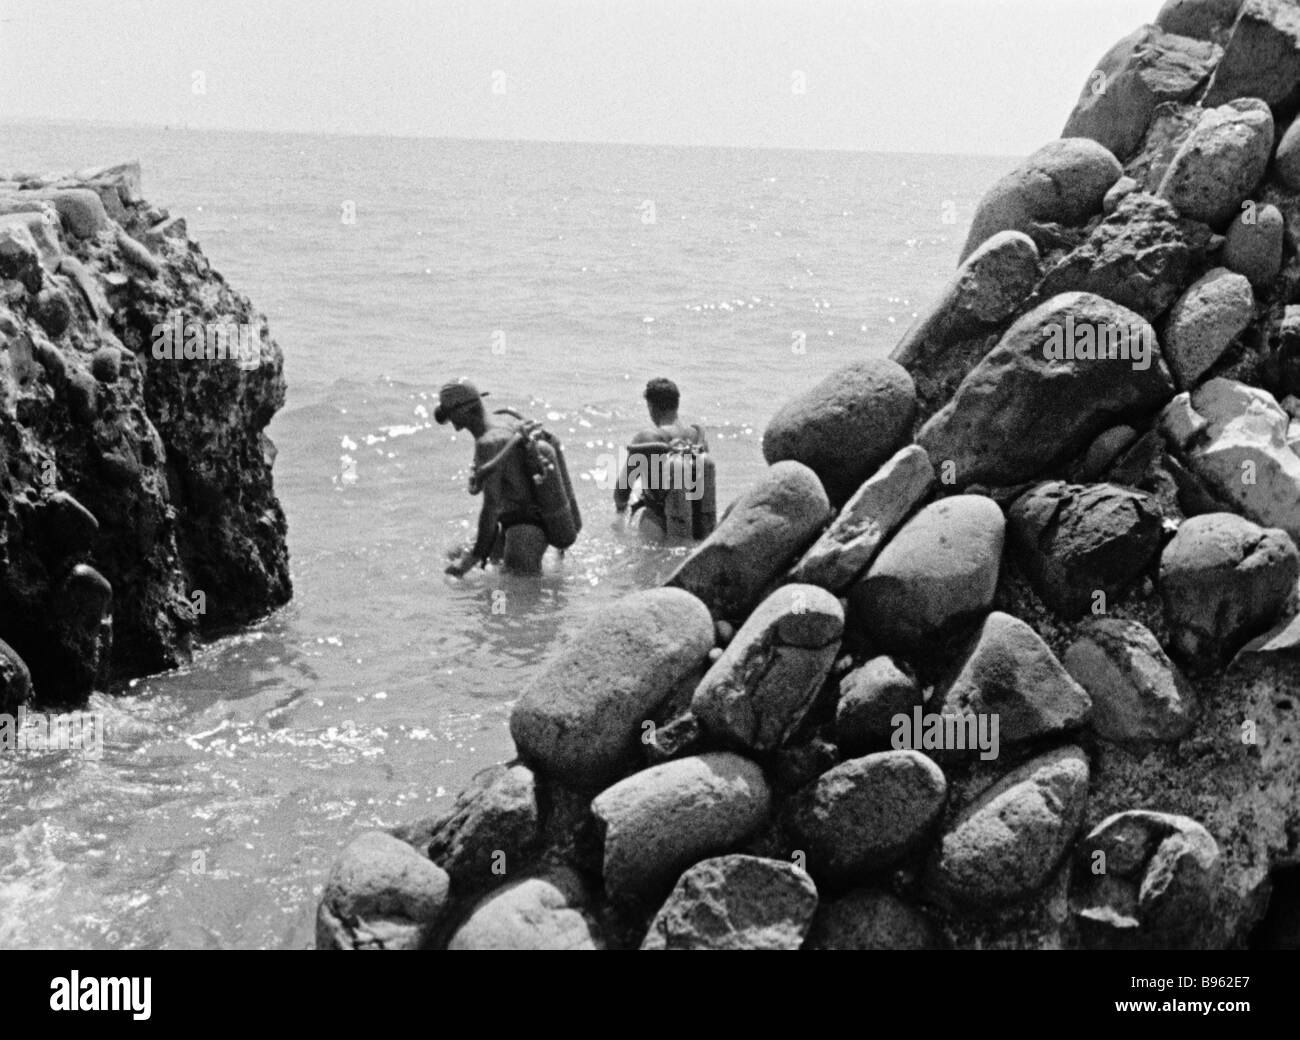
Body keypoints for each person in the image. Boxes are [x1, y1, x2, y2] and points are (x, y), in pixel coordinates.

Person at [437, 379, 549, 576]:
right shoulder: (506, 424)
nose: (449, 419)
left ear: (459, 411)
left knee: (514, 604)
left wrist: (472, 558)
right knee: (452, 555)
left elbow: (491, 508)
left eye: (449, 413)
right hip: (520, 524)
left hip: (523, 533)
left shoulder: (488, 443)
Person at [614, 378, 710, 539]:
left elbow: (622, 492)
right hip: (696, 523)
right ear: (677, 404)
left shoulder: (646, 439)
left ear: (651, 407)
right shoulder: (697, 438)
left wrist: (620, 512)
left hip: (657, 524)